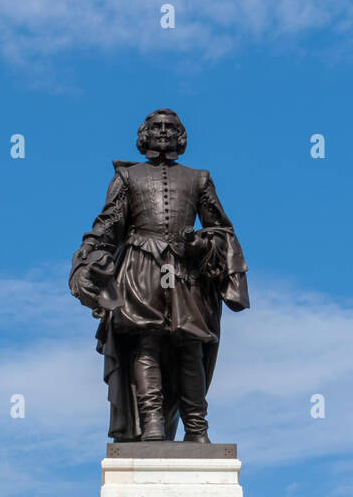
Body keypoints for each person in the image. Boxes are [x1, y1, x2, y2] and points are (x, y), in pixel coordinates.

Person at [69, 109, 249, 443]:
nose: (163, 131)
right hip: (141, 266)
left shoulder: (199, 178)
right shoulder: (127, 178)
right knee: (145, 341)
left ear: (180, 135)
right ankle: (151, 423)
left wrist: (203, 241)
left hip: (185, 270)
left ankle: (197, 428)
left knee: (190, 346)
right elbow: (108, 225)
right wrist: (89, 253)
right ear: (144, 134)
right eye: (156, 127)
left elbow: (222, 229)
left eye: (170, 127)